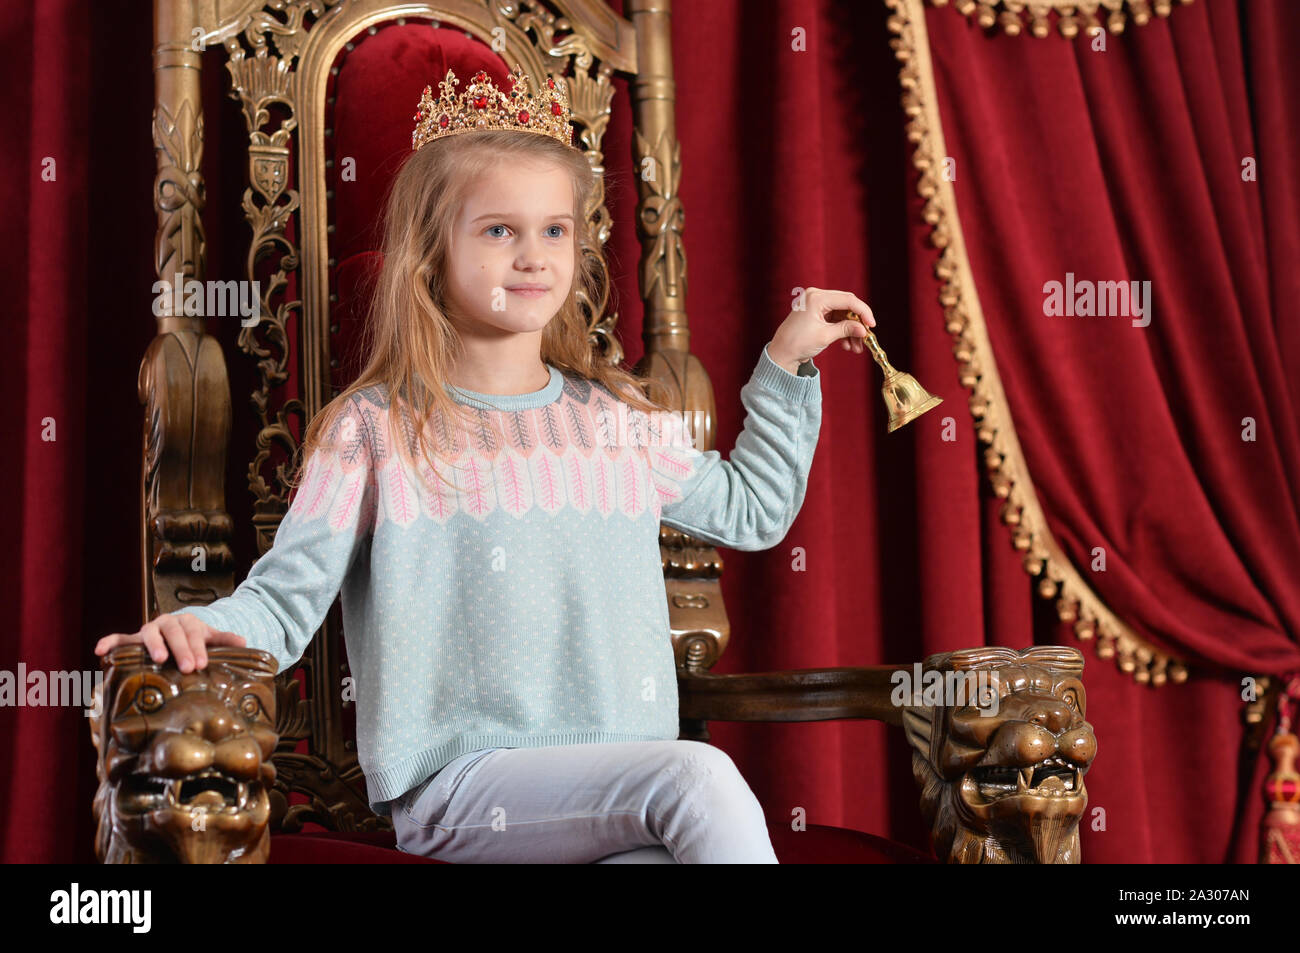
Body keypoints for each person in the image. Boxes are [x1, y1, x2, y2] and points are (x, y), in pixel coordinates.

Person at [95, 64, 875, 863]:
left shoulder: (617, 422)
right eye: (499, 230)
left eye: (555, 230)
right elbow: (285, 603)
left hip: (616, 796)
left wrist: (786, 361)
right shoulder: (374, 431)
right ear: (432, 254)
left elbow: (753, 509)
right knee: (701, 782)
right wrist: (201, 625)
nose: (533, 255)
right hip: (462, 789)